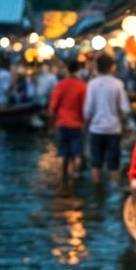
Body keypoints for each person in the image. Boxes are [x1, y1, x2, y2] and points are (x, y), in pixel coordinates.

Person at [83, 52, 133, 187]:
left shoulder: (92, 84)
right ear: (111, 67)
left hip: (96, 129)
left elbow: (87, 111)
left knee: (95, 164)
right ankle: (116, 194)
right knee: (114, 164)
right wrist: (125, 124)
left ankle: (97, 193)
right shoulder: (118, 84)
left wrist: (86, 126)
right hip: (113, 129)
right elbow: (125, 109)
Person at [48, 60, 87, 188]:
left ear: (67, 70)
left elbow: (52, 108)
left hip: (61, 124)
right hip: (76, 124)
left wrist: (51, 125)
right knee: (77, 154)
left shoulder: (60, 85)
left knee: (62, 154)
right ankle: (74, 176)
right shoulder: (82, 86)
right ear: (78, 70)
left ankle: (62, 179)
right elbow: (85, 109)